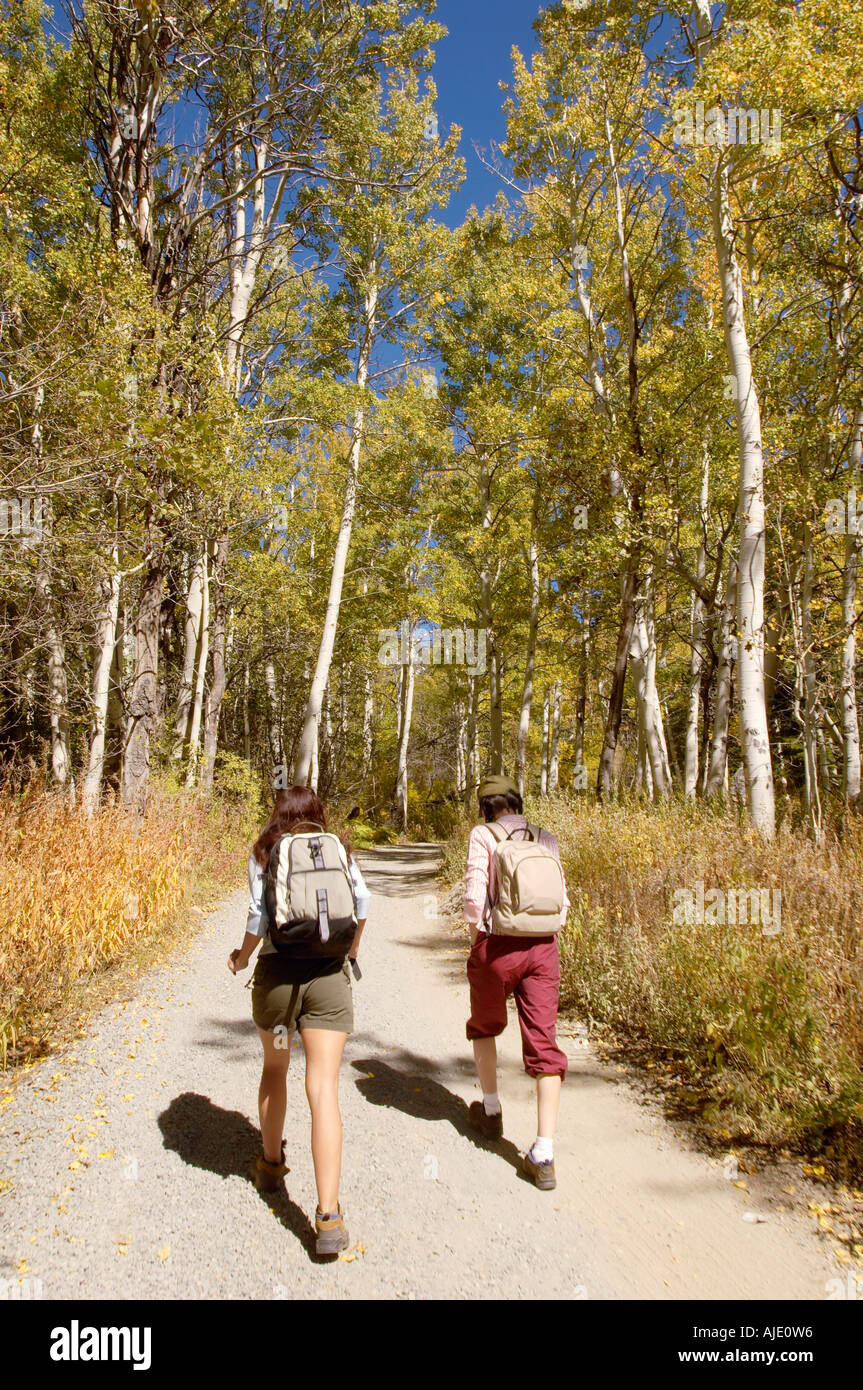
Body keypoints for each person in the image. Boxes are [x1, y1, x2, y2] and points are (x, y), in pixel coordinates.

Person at [228, 785, 370, 1256]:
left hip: (279, 978)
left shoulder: (265, 851)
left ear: (277, 813)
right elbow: (363, 906)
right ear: (317, 814)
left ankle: (270, 1166)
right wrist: (350, 952)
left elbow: (256, 918)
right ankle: (328, 1216)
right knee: (323, 1087)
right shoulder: (336, 849)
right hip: (329, 977)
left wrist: (241, 958)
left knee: (275, 1069)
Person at [463, 774, 569, 1190]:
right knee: (545, 1043)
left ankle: (490, 1112)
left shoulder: (483, 835)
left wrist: (478, 944)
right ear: (517, 801)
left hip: (497, 947)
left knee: (485, 1025)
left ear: (486, 806)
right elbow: (563, 901)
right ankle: (544, 1154)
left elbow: (474, 899)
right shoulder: (546, 837)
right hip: (544, 948)